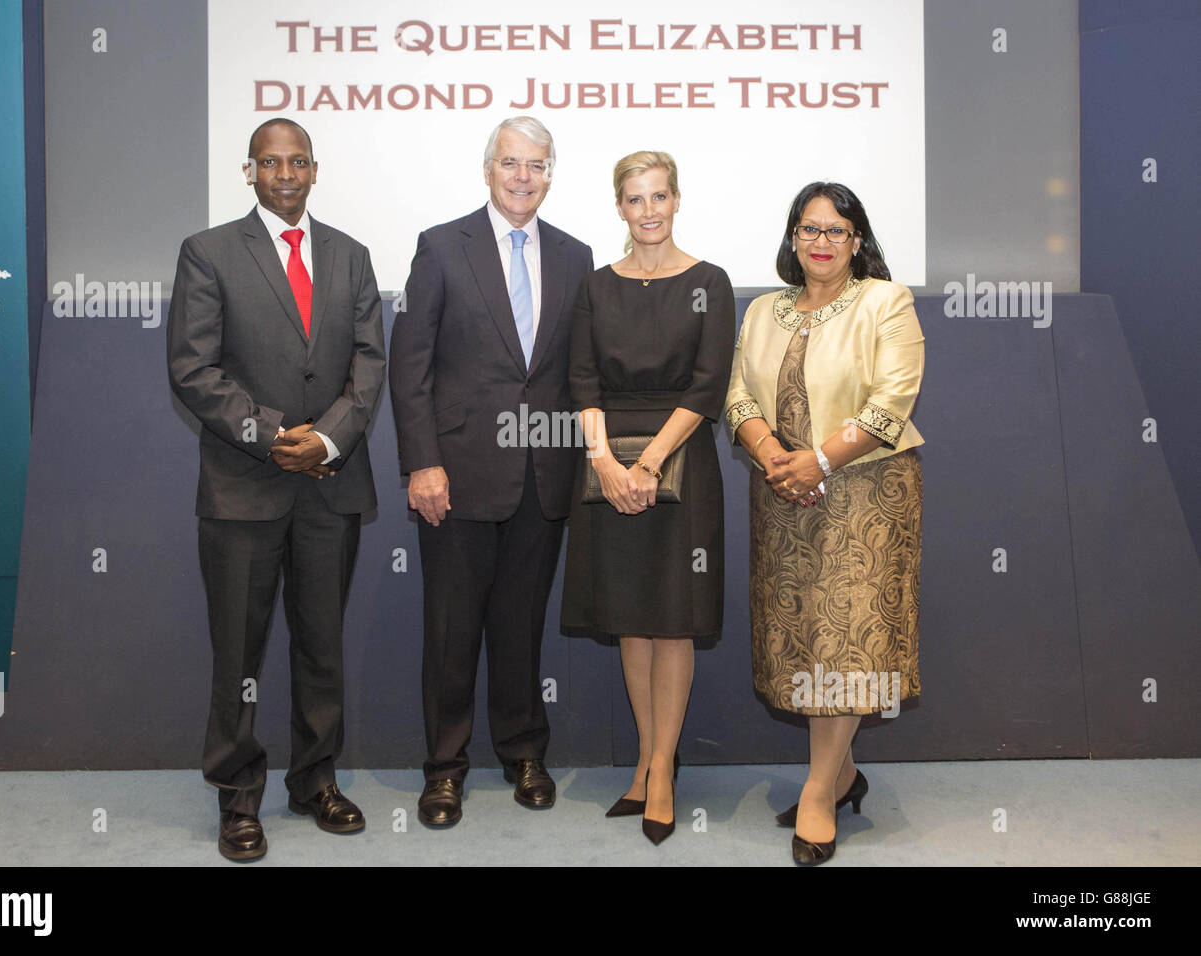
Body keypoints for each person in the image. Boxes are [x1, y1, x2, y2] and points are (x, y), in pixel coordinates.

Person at [167, 118, 385, 861]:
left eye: (297, 161)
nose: (284, 173)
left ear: (315, 171)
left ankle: (315, 779)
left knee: (322, 645)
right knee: (240, 653)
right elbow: (194, 370)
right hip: (242, 492)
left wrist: (324, 439)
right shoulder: (208, 253)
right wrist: (271, 437)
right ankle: (237, 796)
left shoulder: (352, 257)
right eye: (270, 161)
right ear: (249, 170)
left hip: (330, 483)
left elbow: (368, 365)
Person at [389, 116, 594, 827]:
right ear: (487, 169)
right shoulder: (442, 247)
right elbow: (408, 365)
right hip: (457, 477)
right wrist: (422, 463)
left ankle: (522, 753)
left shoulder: (575, 255)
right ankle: (444, 770)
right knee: (450, 633)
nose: (522, 176)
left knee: (521, 628)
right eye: (510, 162)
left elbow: (574, 373)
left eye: (536, 165)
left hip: (544, 478)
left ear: (549, 174)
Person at [724, 181, 924, 864]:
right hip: (780, 495)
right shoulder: (762, 310)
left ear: (857, 240)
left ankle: (817, 792)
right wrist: (775, 457)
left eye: (834, 231)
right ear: (791, 237)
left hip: (864, 493)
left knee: (846, 641)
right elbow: (738, 395)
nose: (818, 242)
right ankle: (840, 774)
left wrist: (818, 460)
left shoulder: (884, 301)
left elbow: (890, 401)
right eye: (806, 229)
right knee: (802, 638)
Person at [560, 151, 735, 845]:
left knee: (674, 619)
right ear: (620, 208)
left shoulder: (710, 282)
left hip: (680, 464)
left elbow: (708, 385)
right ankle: (645, 757)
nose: (649, 210)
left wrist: (650, 463)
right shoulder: (596, 286)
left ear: (677, 199)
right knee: (631, 618)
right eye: (635, 199)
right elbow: (581, 382)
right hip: (608, 470)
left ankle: (662, 769)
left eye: (659, 196)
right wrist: (604, 462)